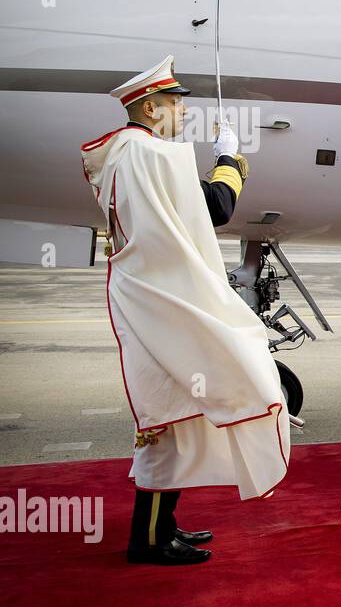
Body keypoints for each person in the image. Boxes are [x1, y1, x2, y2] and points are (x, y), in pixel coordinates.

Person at [80, 55, 290, 565]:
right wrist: (230, 163)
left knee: (175, 415)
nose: (182, 114)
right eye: (175, 105)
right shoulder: (151, 153)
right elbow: (215, 208)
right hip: (164, 305)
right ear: (151, 107)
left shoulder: (128, 152)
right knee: (167, 422)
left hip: (154, 299)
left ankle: (164, 526)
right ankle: (148, 541)